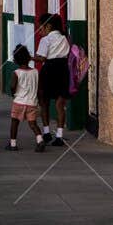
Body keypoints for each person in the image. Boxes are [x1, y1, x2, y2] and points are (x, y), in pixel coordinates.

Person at [35, 12, 72, 151]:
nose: (39, 31)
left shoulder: (46, 40)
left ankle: (46, 132)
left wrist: (29, 58)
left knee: (44, 101)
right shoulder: (64, 38)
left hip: (49, 70)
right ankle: (59, 136)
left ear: (48, 26)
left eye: (41, 28)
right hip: (63, 70)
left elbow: (42, 59)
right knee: (59, 104)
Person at [7, 43, 39, 151]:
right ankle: (40, 140)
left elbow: (12, 86)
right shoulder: (35, 72)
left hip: (19, 102)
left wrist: (13, 93)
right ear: (29, 58)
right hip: (32, 103)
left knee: (14, 122)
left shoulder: (16, 73)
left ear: (15, 60)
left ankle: (13, 144)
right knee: (33, 124)